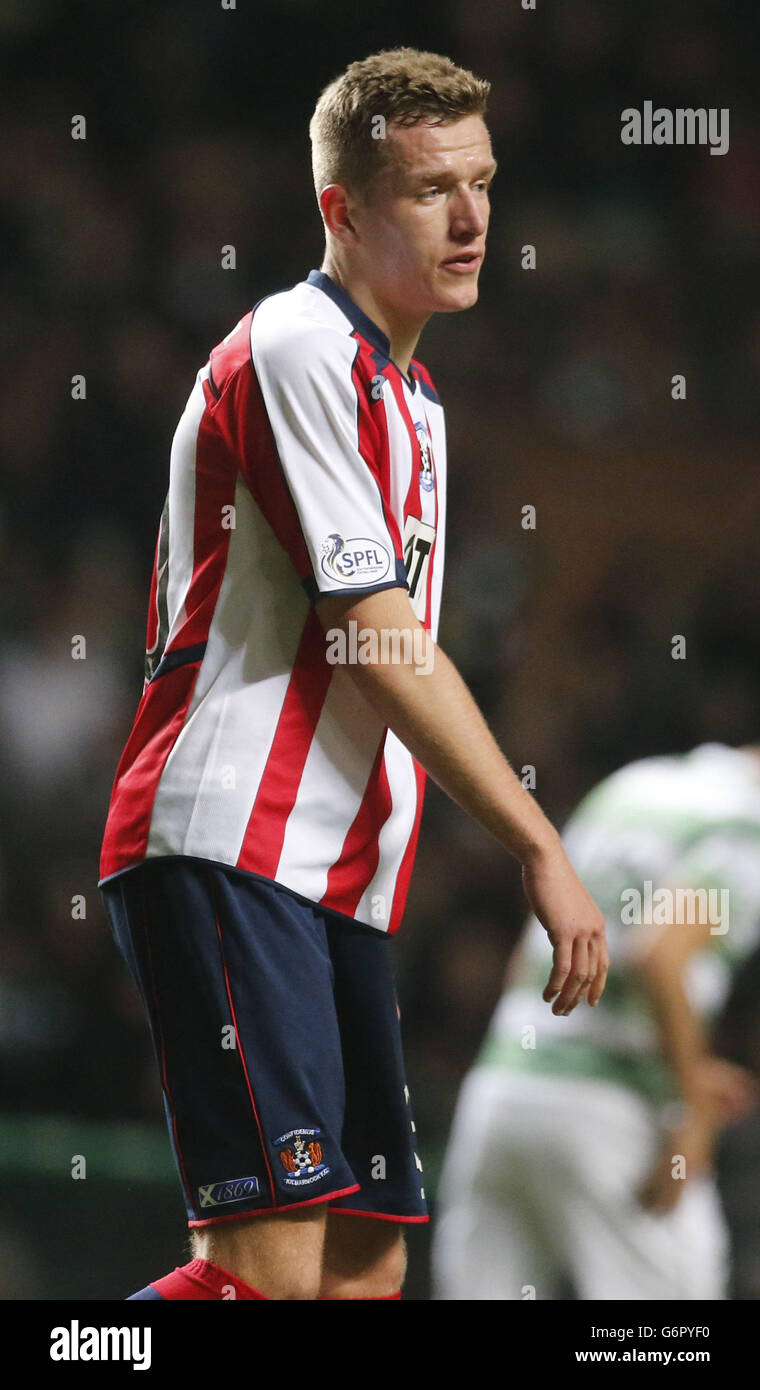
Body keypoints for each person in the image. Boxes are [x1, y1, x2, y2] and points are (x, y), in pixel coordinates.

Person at [98, 46, 608, 1303]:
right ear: (342, 208)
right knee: (261, 1281)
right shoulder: (295, 343)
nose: (475, 217)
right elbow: (372, 632)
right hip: (233, 842)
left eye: (484, 182)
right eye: (434, 189)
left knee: (362, 1280)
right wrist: (538, 841)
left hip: (337, 884)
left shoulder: (417, 402)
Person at [432, 741, 760, 1301]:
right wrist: (694, 1112)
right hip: (613, 1115)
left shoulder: (635, 783)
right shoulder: (743, 825)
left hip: (502, 1095)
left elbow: (536, 945)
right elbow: (660, 957)